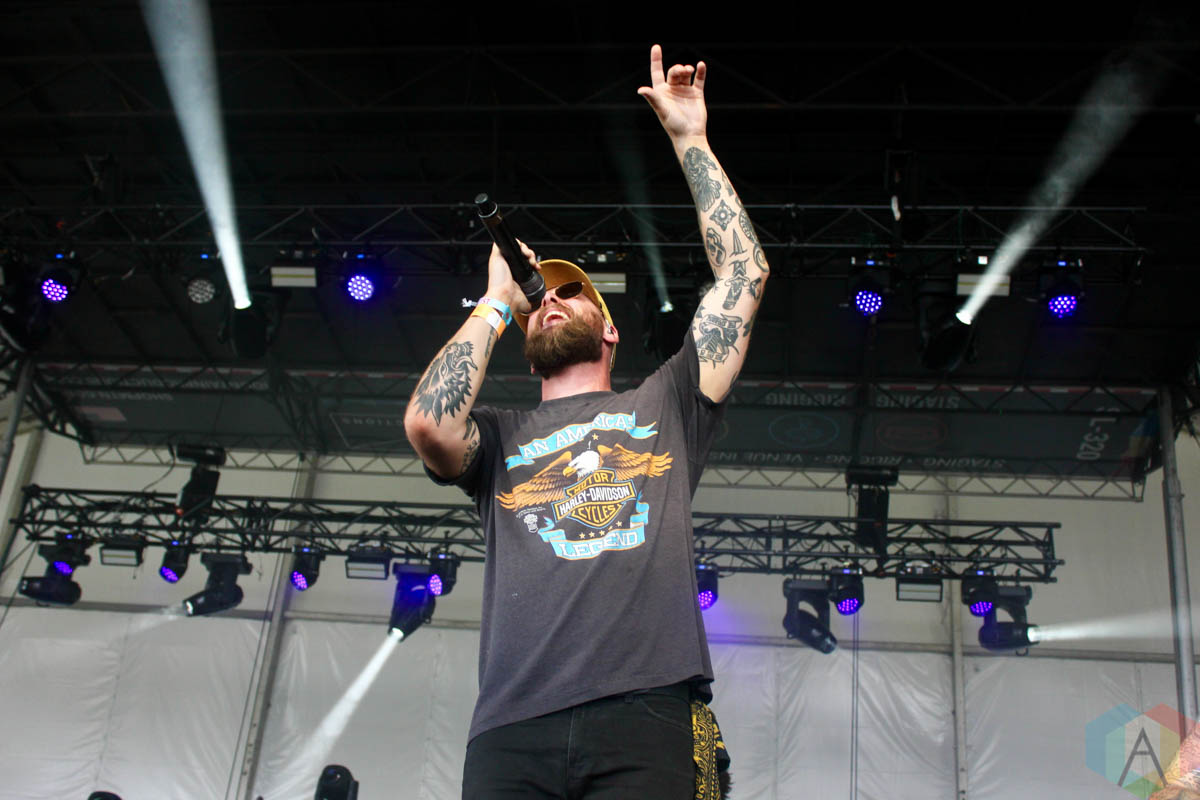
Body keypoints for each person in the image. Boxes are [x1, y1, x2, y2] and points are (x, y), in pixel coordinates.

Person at [404, 43, 765, 799]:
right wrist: (500, 299)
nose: (554, 300)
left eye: (574, 295)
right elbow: (429, 426)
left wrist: (690, 140)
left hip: (647, 716)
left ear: (609, 331)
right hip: (511, 728)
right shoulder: (498, 436)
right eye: (545, 298)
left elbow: (743, 274)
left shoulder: (665, 402)